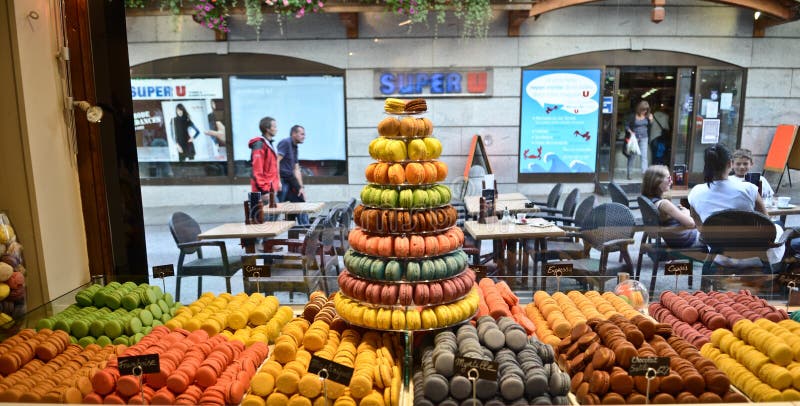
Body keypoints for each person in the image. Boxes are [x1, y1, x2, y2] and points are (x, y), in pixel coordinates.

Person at [687, 143, 784, 264]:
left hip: (718, 255)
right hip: (754, 255)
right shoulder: (749, 189)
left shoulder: (695, 192)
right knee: (779, 227)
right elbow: (766, 221)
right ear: (730, 164)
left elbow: (700, 226)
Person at [641, 165, 698, 248]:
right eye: (668, 178)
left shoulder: (649, 200)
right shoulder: (664, 204)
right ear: (657, 181)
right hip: (685, 239)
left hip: (673, 240)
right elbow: (691, 224)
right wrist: (687, 212)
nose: (671, 181)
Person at [277, 125, 309, 225]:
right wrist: (277, 181)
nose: (304, 136)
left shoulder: (295, 147)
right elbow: (276, 162)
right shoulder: (285, 143)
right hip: (282, 181)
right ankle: (265, 232)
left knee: (300, 202)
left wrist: (301, 188)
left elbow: (296, 169)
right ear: (294, 134)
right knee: (276, 209)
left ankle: (305, 231)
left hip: (290, 181)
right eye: (302, 134)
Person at [248, 117, 281, 212]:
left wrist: (278, 182)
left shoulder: (269, 144)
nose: (276, 129)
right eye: (274, 126)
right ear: (267, 129)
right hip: (264, 191)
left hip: (270, 188)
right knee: (265, 221)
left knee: (272, 218)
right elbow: (257, 170)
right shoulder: (259, 144)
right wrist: (264, 191)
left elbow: (271, 168)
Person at [625, 101, 654, 179]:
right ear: (639, 109)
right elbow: (626, 126)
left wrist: (651, 120)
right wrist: (631, 133)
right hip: (634, 139)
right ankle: (629, 173)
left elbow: (650, 126)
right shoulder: (632, 116)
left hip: (644, 137)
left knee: (644, 156)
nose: (644, 111)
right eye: (643, 110)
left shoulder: (648, 116)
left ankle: (644, 174)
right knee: (632, 156)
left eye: (646, 110)